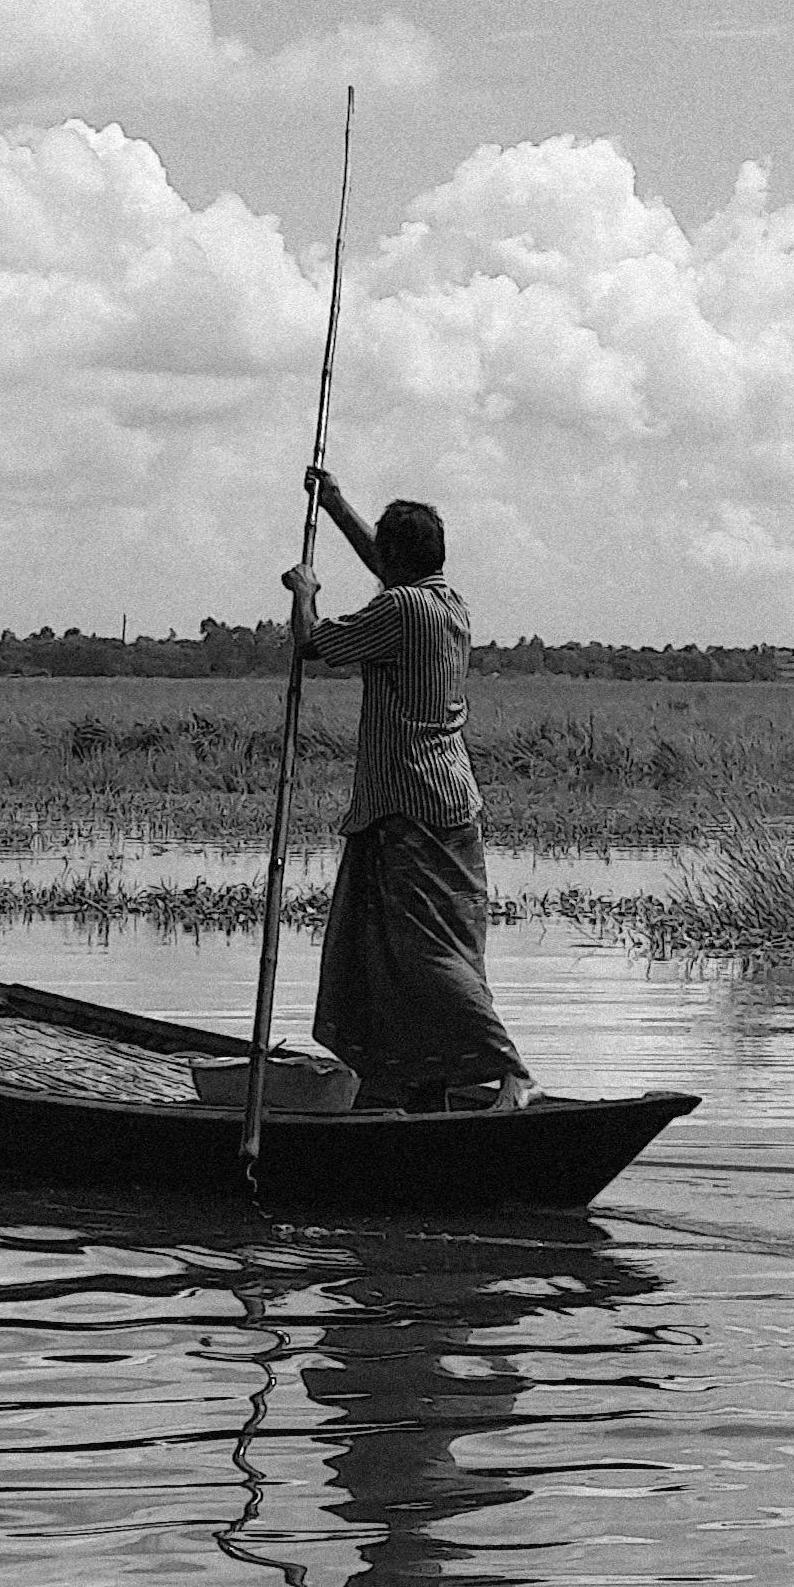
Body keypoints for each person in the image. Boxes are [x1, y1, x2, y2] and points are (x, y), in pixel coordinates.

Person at [285, 469, 530, 1111]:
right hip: (448, 801)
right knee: (403, 953)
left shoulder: (399, 609)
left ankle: (510, 1072)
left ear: (396, 562)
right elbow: (388, 569)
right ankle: (419, 1086)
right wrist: (336, 505)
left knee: (424, 953)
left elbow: (314, 643)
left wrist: (304, 590)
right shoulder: (446, 604)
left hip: (409, 807)